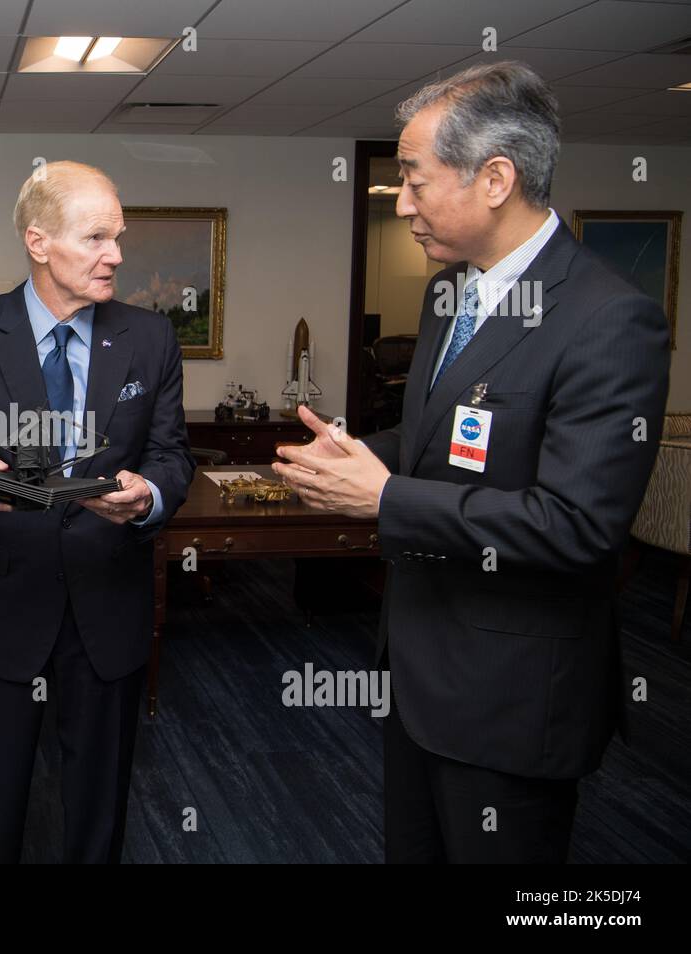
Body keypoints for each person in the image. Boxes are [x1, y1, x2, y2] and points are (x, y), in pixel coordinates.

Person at [272, 62, 669, 863]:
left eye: (415, 180)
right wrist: (352, 459)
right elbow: (439, 442)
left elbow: (579, 526)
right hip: (419, 670)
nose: (404, 201)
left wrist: (383, 499)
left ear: (496, 178)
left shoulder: (609, 320)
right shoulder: (451, 292)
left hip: (511, 696)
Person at [0, 160, 195, 863]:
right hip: (4, 603)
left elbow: (172, 456)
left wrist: (149, 496)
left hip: (109, 603)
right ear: (38, 242)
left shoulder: (148, 338)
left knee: (100, 802)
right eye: (97, 237)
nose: (117, 256)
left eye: (118, 237)